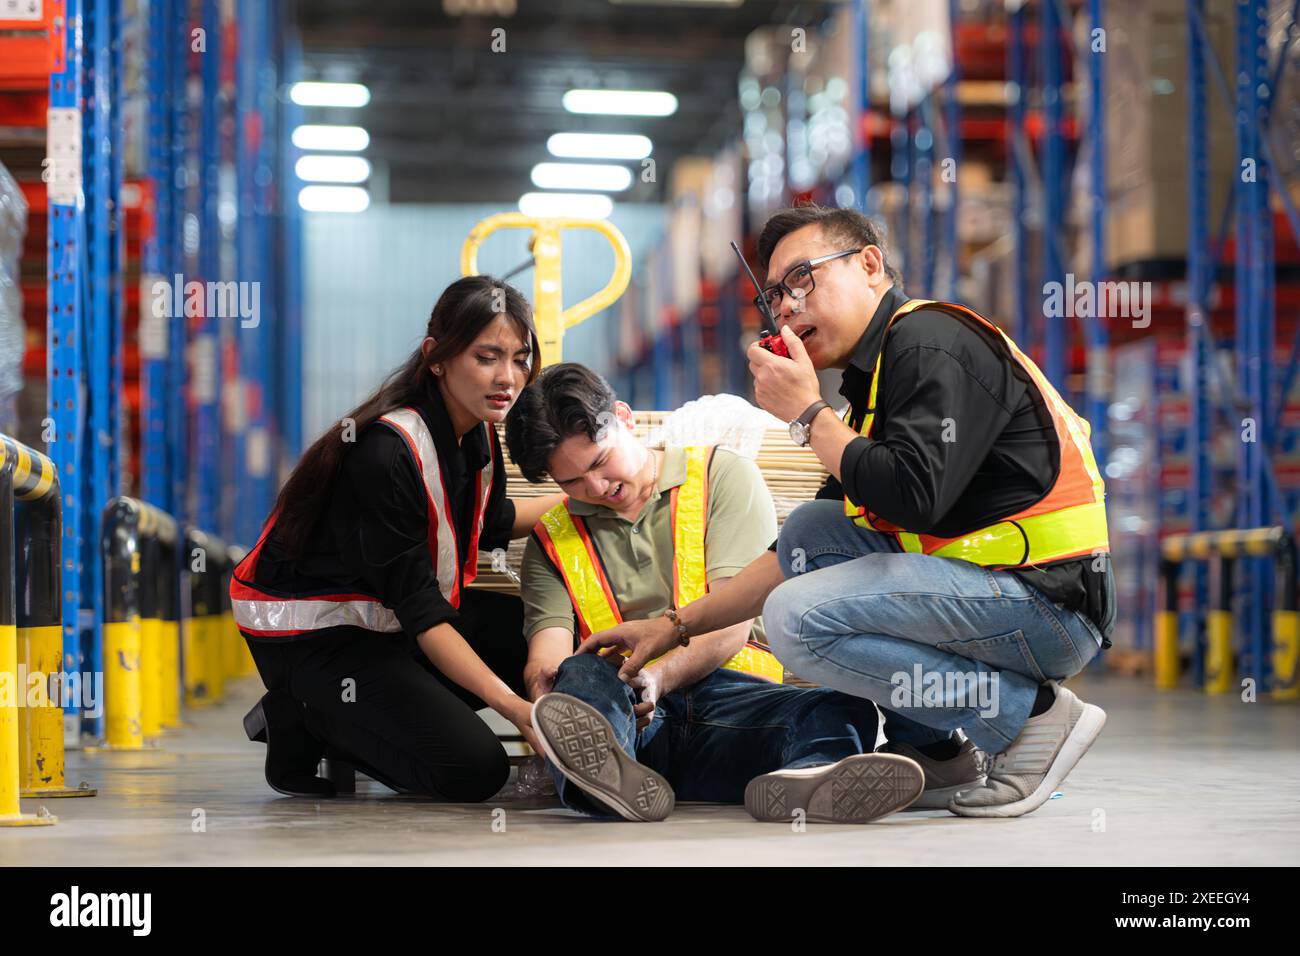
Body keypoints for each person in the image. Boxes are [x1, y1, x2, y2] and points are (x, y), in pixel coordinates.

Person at [577, 205, 1115, 819]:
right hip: (1000, 591)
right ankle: (935, 751)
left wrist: (808, 415)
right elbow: (794, 555)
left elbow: (915, 494)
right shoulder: (874, 385)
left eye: (802, 278)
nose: (785, 306)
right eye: (775, 294)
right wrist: (674, 626)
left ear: (868, 265)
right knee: (813, 532)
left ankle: (1032, 720)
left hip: (1050, 602)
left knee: (797, 620)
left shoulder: (931, 339)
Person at [503, 362, 953, 824]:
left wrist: (658, 679)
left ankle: (810, 776)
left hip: (736, 708)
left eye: (599, 461)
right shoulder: (551, 539)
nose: (597, 487)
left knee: (837, 708)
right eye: (571, 482)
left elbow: (732, 626)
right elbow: (548, 654)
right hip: (628, 719)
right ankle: (606, 780)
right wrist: (547, 691)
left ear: (625, 417)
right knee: (579, 675)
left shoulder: (719, 475)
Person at [233, 275, 564, 800]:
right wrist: (516, 709)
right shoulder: (385, 454)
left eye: (520, 358)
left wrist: (586, 493)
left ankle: (396, 706)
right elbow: (425, 615)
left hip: (393, 624)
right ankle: (305, 719)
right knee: (475, 770)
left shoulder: (473, 431)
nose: (509, 377)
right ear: (437, 357)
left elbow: (490, 521)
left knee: (542, 645)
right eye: (487, 357)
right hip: (321, 643)